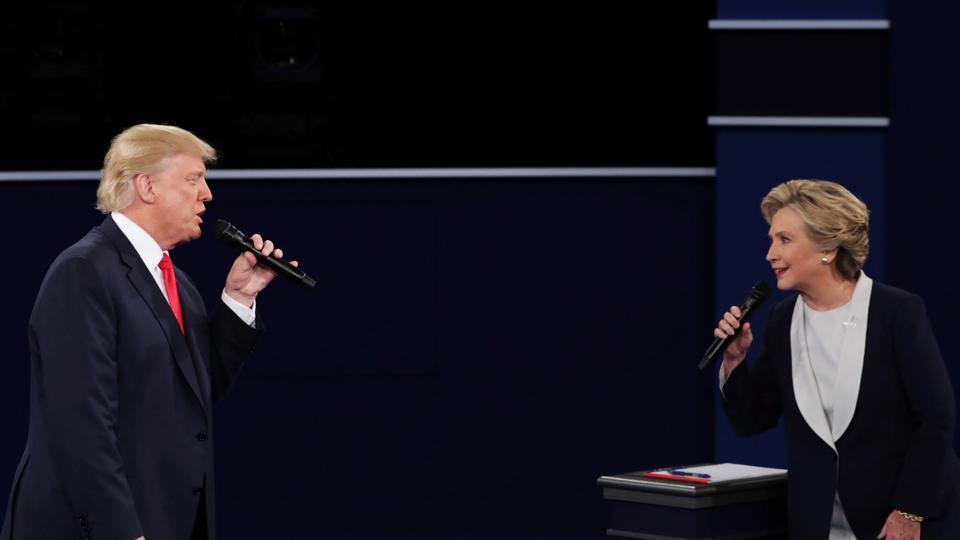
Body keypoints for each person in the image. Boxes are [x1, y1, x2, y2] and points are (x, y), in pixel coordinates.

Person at [0, 124, 295, 540]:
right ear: (147, 186)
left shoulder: (178, 283)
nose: (207, 195)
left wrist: (238, 299)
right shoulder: (83, 271)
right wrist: (121, 531)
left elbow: (196, 394)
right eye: (193, 180)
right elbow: (81, 422)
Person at [715, 180, 960, 539]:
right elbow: (754, 419)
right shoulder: (783, 320)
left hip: (899, 521)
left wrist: (910, 511)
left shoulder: (897, 312)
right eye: (772, 239)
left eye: (784, 240)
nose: (770, 253)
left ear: (827, 246)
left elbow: (936, 418)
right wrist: (734, 362)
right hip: (819, 523)